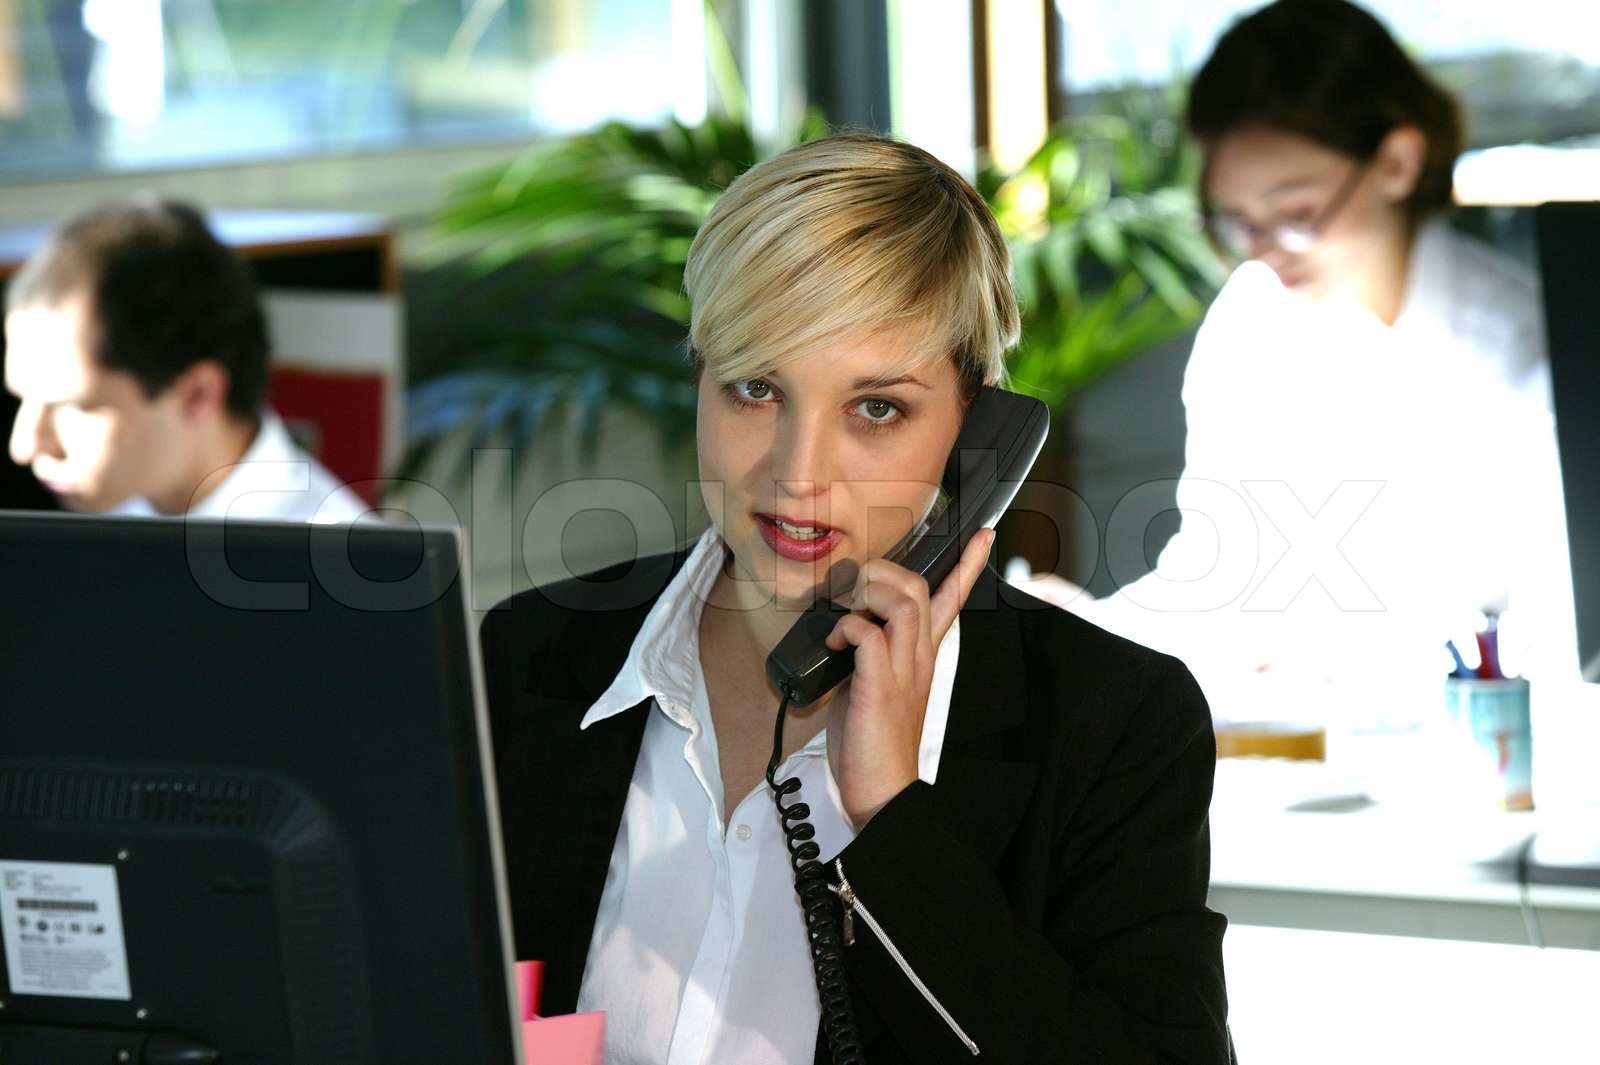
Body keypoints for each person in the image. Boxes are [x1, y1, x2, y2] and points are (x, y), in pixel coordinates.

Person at [482, 133, 1230, 1064]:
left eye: (876, 407)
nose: (798, 474)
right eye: (756, 389)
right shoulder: (528, 660)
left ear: (979, 430)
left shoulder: (1111, 723)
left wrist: (891, 815)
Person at [1049, 0, 1577, 724]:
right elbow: (1213, 568)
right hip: (1283, 757)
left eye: (1296, 213)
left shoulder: (1525, 349)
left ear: (1398, 161)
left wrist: (1343, 650)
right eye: (1235, 220)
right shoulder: (1251, 317)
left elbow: (1559, 636)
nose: (1262, 248)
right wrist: (1090, 625)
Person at [4, 198, 369, 523]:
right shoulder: (117, 503)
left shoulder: (335, 579)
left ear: (198, 394)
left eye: (74, 407)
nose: (24, 446)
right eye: (23, 399)